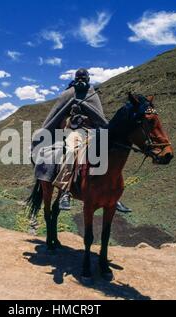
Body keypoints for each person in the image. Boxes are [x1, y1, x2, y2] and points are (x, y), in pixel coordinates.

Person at [35, 68, 132, 213]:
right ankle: (65, 191)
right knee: (71, 151)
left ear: (88, 79)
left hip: (91, 131)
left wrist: (87, 120)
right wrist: (72, 119)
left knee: (108, 152)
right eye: (78, 78)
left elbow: (98, 117)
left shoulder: (92, 95)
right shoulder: (68, 94)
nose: (81, 80)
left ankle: (113, 196)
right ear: (75, 79)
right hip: (71, 131)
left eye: (83, 78)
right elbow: (58, 117)